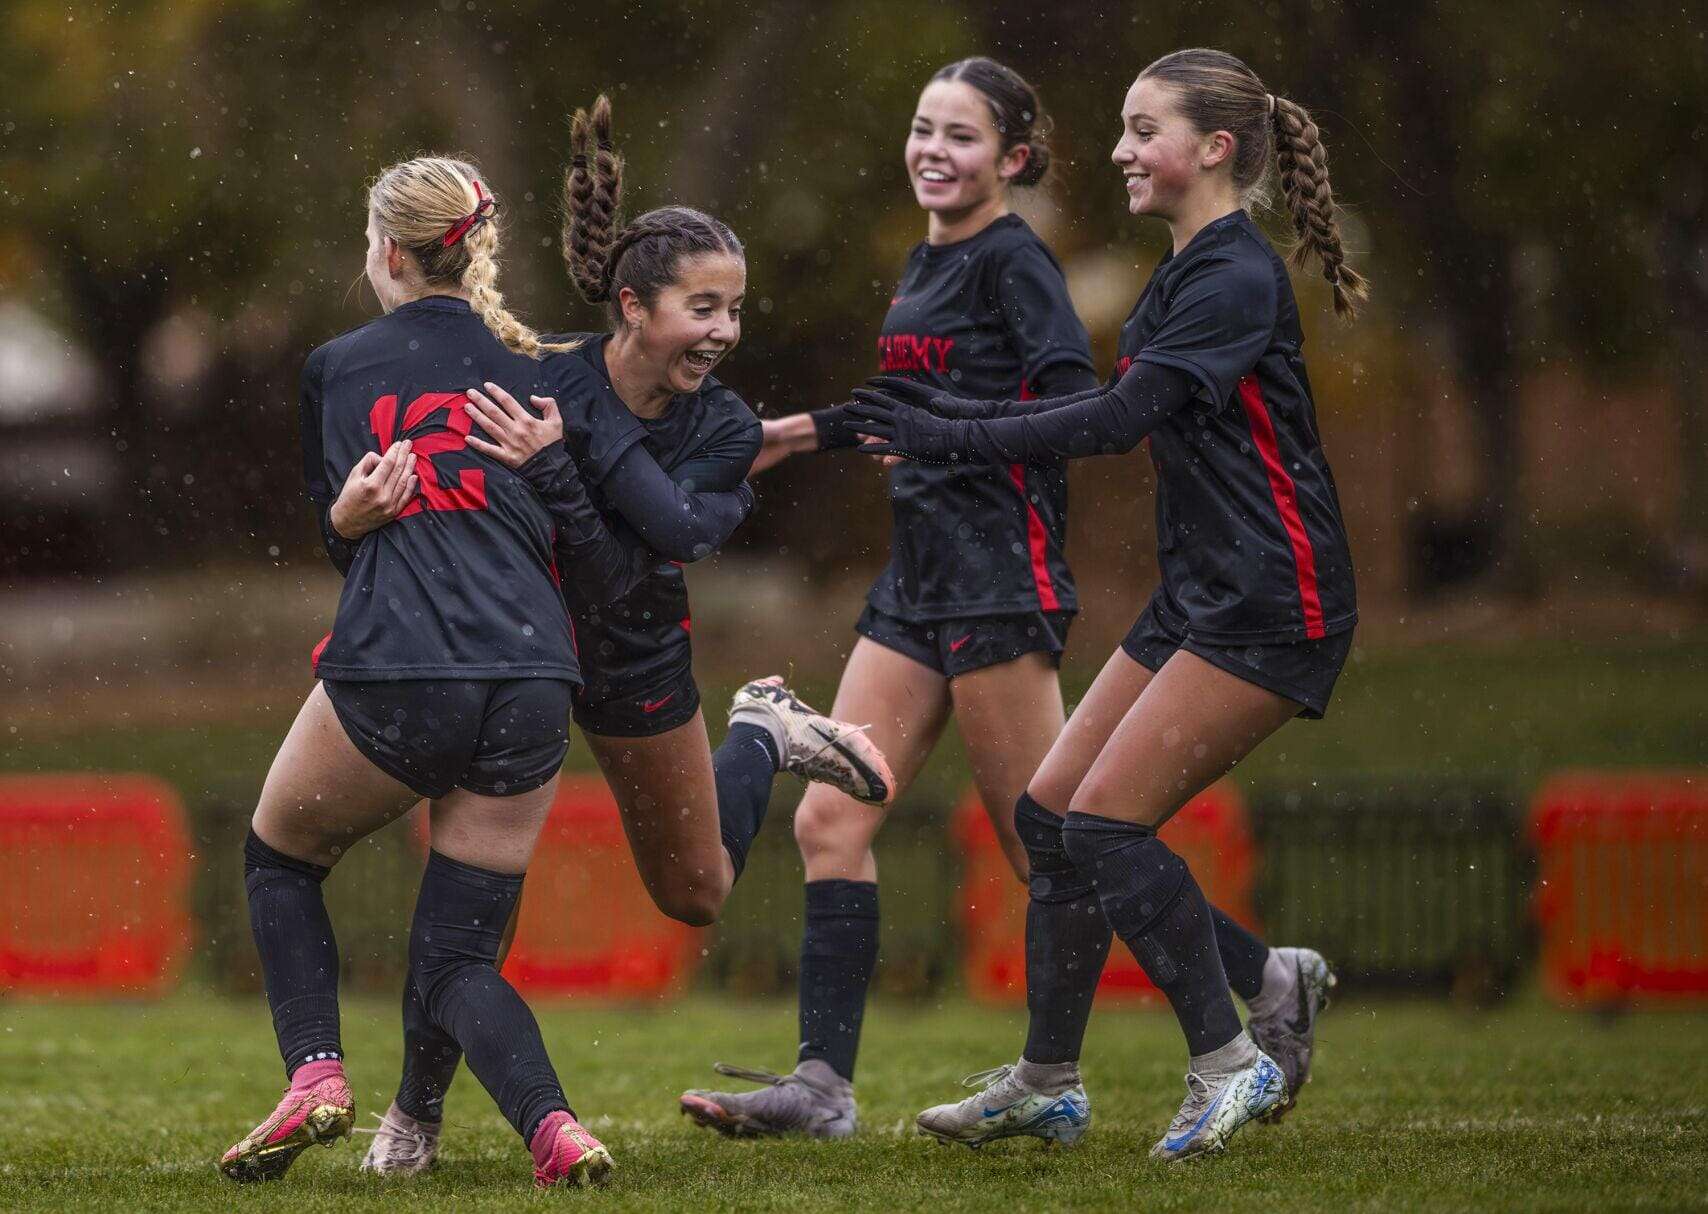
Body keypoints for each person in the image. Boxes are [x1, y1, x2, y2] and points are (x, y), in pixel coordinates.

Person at [357, 98, 894, 1176]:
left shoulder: (724, 428)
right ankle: (413, 1115)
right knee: (464, 915)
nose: (725, 333)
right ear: (636, 307)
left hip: (638, 652)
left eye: (734, 311)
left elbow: (662, 544)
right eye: (703, 308)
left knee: (694, 892)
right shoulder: (542, 371)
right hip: (519, 664)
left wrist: (560, 466)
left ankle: (759, 735)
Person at [850, 48, 1360, 1160]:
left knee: (1102, 824)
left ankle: (1231, 1058)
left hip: (1274, 599)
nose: (1122, 151)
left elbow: (1114, 420)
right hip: (1202, 593)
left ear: (1212, 150)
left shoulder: (1231, 276)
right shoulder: (1180, 267)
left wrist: (946, 429)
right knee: (1049, 814)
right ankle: (1047, 1078)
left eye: (1142, 131)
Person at [677, 57, 1101, 1140]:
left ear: (1010, 157)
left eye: (959, 136)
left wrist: (948, 435)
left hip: (998, 575)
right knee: (829, 814)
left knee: (1042, 847)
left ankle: (1245, 989)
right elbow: (903, 400)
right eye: (922, 129)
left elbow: (1069, 405)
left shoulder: (1014, 261)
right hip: (914, 582)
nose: (930, 151)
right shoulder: (924, 259)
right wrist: (791, 434)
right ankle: (823, 1087)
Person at [219, 156, 658, 1189]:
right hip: (533, 672)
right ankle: (553, 1129)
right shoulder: (554, 367)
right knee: (459, 955)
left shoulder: (339, 365)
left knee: (281, 858)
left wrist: (341, 520)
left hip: (400, 662)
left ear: (385, 251)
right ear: (477, 247)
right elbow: (606, 561)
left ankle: (316, 1075)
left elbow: (358, 538)